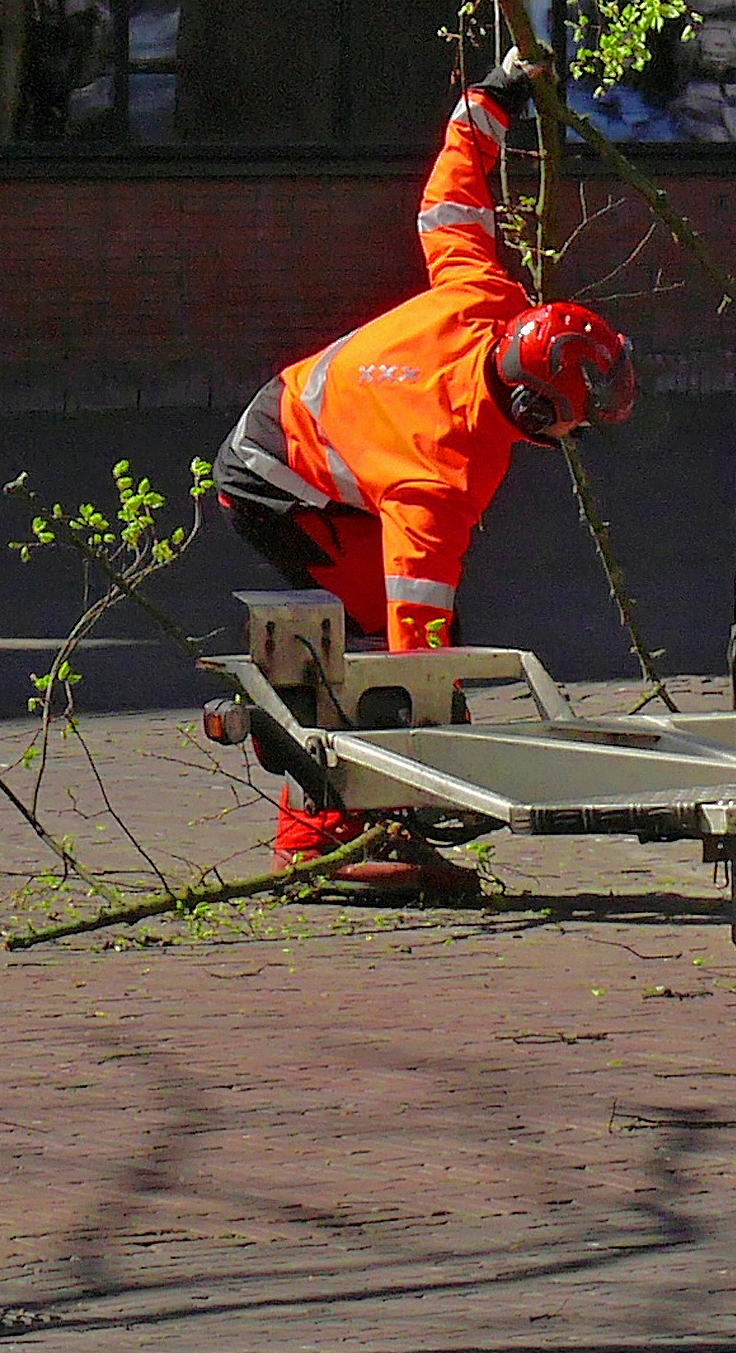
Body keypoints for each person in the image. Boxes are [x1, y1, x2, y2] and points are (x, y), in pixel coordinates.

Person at [210, 50, 636, 901]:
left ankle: (358, 803)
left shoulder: (485, 298)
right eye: (571, 421)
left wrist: (494, 98)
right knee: (370, 668)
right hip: (279, 483)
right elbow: (417, 635)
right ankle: (323, 834)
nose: (575, 433)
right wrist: (433, 729)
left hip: (300, 432)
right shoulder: (435, 478)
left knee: (379, 664)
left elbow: (451, 200)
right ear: (532, 412)